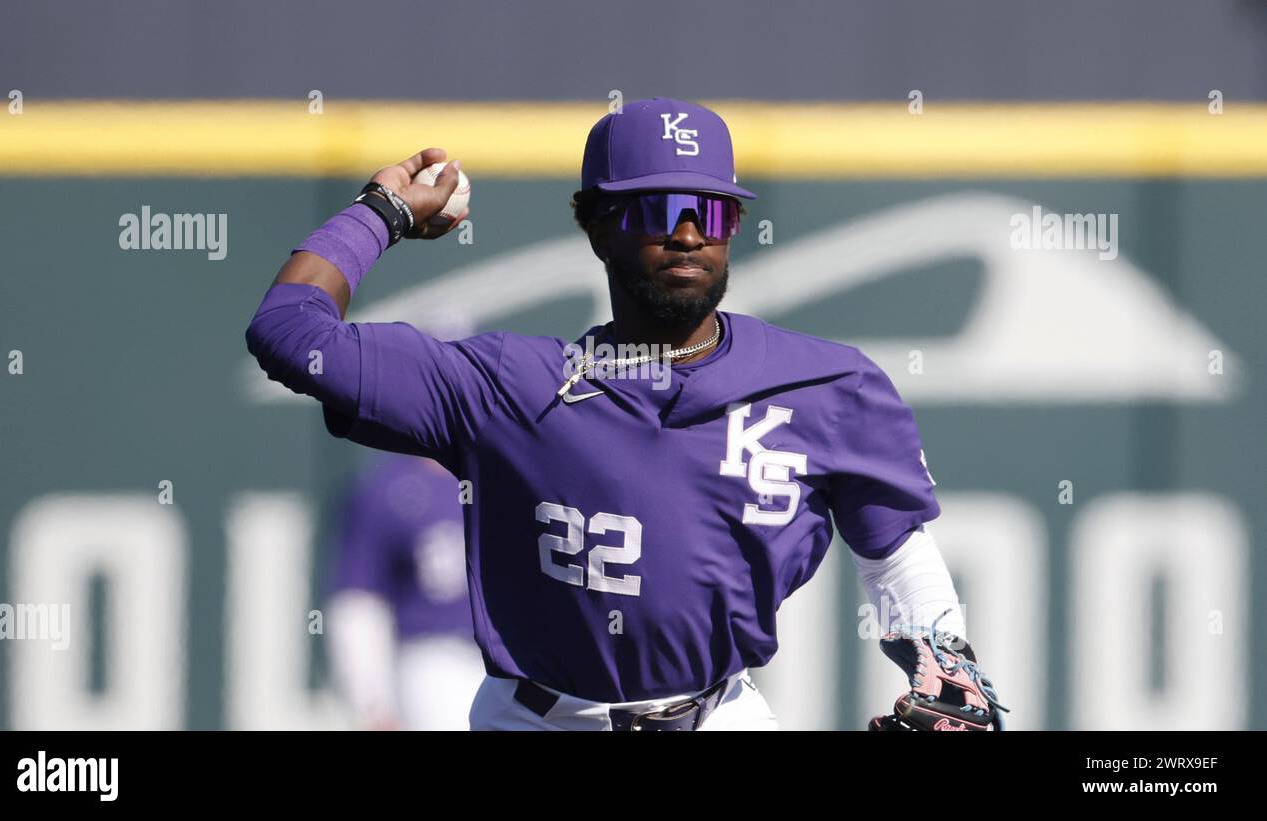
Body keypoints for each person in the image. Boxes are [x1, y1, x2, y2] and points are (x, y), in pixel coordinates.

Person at [247, 97, 1005, 731]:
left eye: (712, 209)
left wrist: (946, 663)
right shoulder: (506, 385)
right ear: (598, 225)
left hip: (720, 713)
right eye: (660, 208)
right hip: (537, 718)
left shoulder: (829, 385)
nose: (688, 232)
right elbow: (288, 332)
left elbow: (893, 550)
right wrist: (380, 211)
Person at [325, 454, 483, 730]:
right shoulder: (388, 487)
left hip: (523, 666)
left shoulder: (518, 472)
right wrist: (370, 703)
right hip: (436, 664)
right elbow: (359, 604)